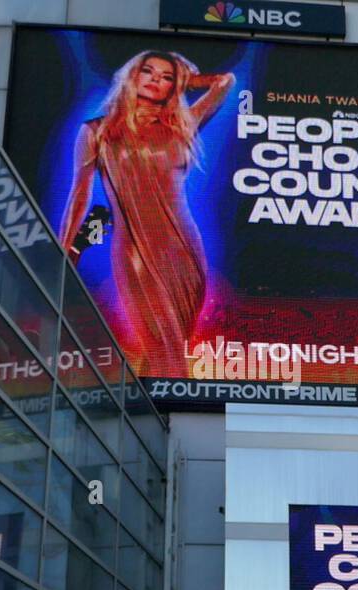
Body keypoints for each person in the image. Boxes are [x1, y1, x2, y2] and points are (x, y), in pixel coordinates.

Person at [59, 50, 235, 376]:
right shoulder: (97, 131)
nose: (156, 79)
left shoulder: (183, 125)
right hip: (136, 249)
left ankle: (146, 413)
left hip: (185, 250)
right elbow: (79, 196)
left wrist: (189, 79)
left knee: (169, 347)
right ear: (132, 76)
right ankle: (176, 416)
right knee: (167, 348)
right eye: (149, 71)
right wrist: (62, 252)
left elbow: (225, 82)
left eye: (167, 77)